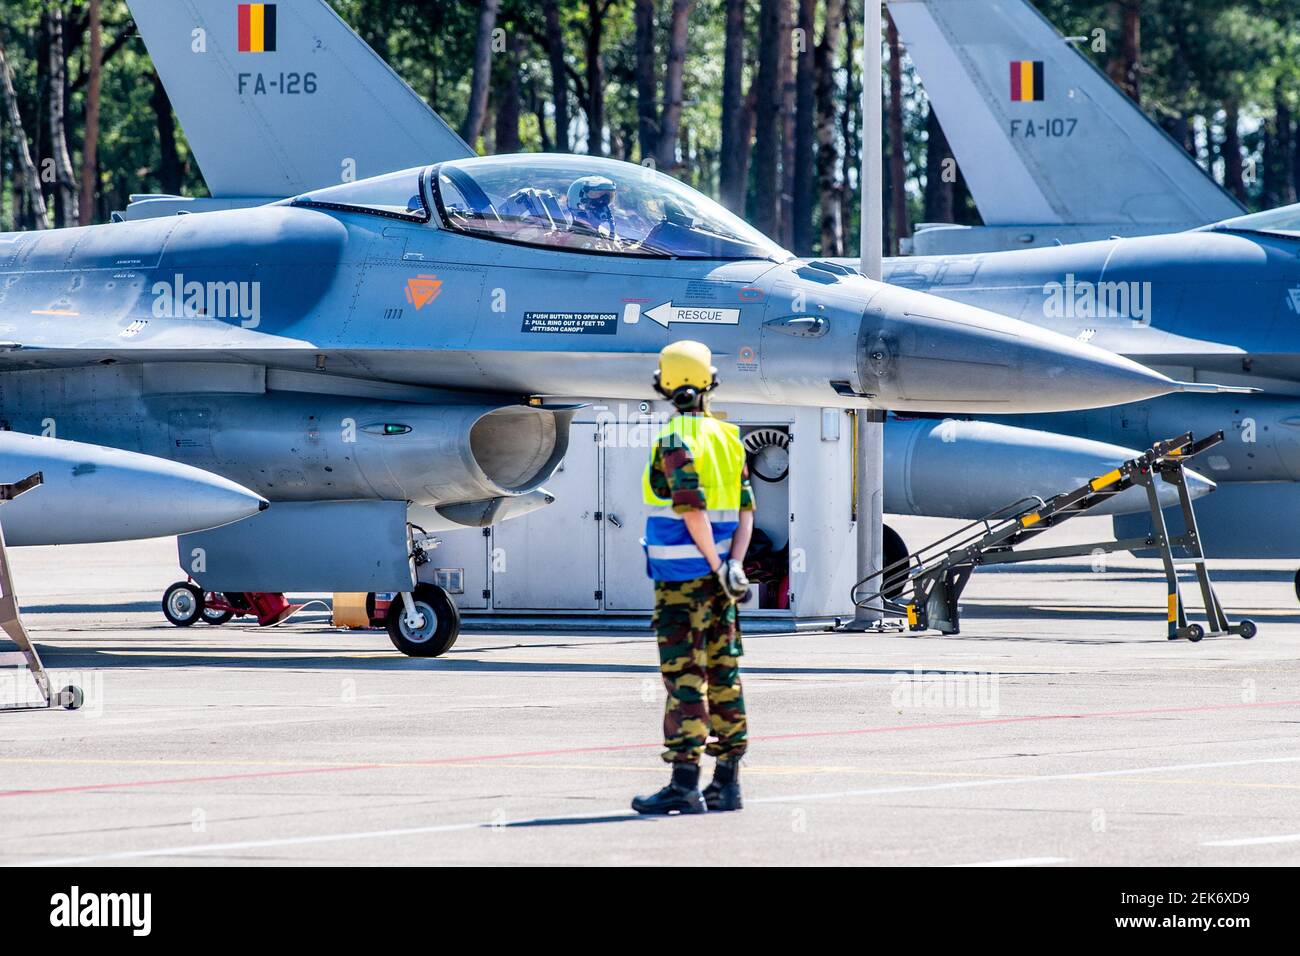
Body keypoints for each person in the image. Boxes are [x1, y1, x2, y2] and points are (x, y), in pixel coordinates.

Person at [632, 341, 755, 815]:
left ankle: (684, 782)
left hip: (684, 582)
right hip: (723, 583)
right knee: (725, 675)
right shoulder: (728, 436)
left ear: (664, 384)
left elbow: (690, 508)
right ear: (709, 382)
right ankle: (727, 783)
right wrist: (734, 565)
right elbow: (745, 511)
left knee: (686, 677)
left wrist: (714, 563)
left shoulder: (673, 439)